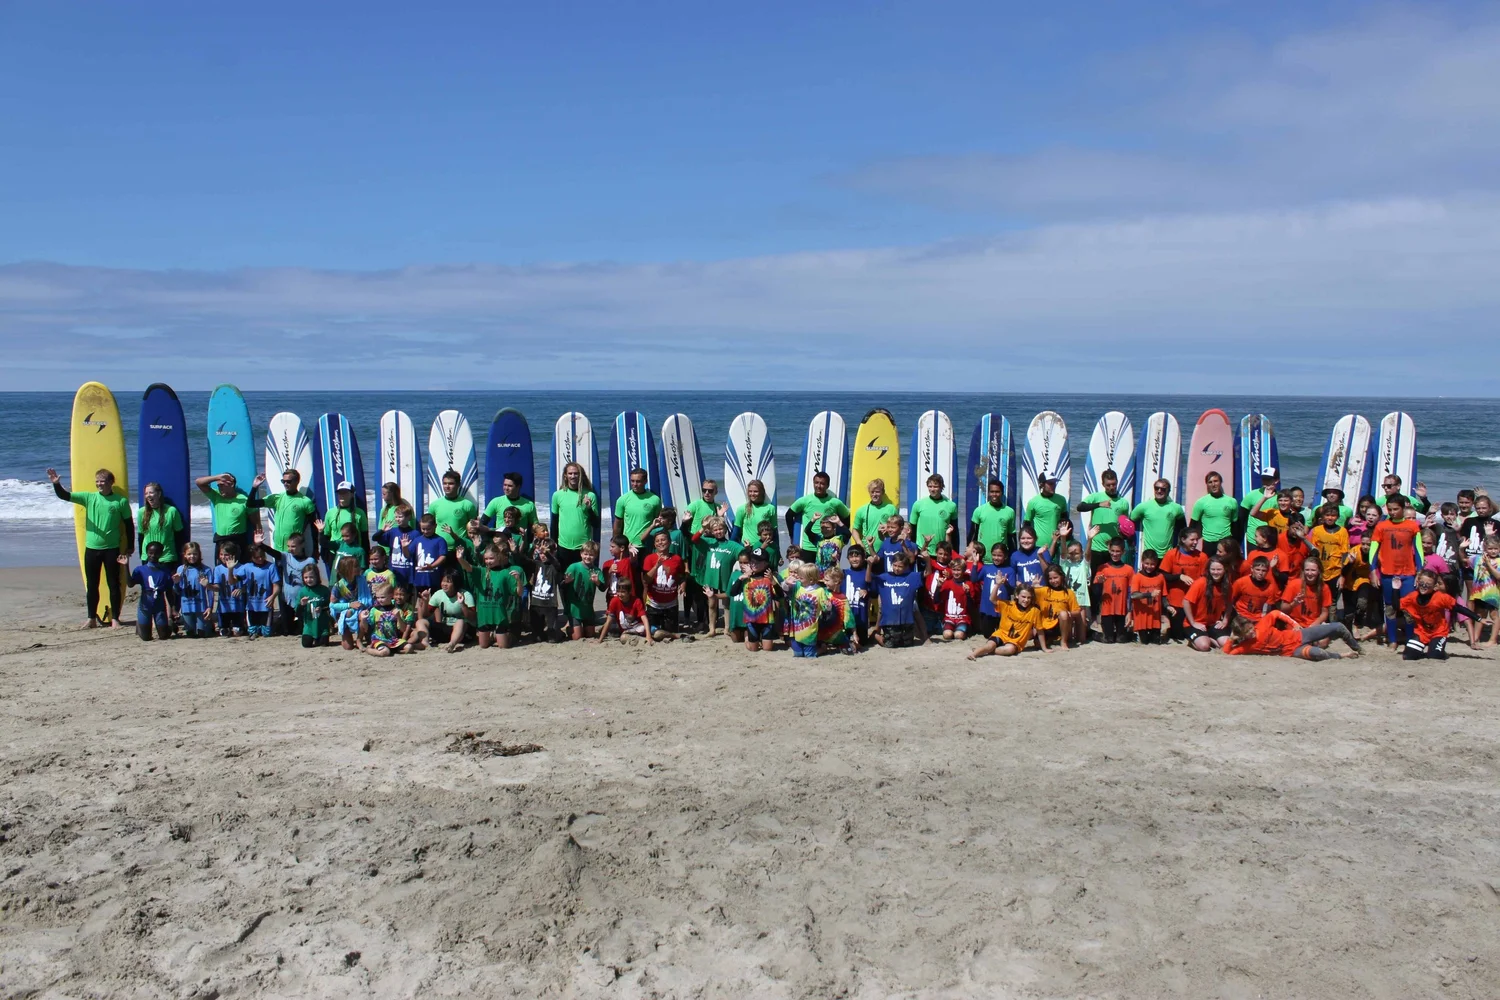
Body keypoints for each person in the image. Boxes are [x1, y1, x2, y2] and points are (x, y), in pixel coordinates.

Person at [48, 466, 133, 627]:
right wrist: (56, 484)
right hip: (92, 549)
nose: (99, 484)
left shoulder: (120, 501)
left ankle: (115, 619)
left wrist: (129, 547)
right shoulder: (89, 498)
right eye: (97, 481)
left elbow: (129, 525)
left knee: (114, 584)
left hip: (112, 549)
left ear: (111, 482)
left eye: (102, 481)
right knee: (92, 585)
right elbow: (64, 496)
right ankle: (91, 618)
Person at [1369, 494, 1423, 645]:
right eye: (1390, 509)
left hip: (1408, 574)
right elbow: (1373, 549)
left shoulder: (1412, 526)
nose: (1392, 512)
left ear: (1403, 508)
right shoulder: (1381, 526)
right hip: (1388, 574)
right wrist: (1373, 571)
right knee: (1390, 608)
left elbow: (1419, 550)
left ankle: (1410, 639)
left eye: (1396, 509)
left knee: (1409, 609)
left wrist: (1420, 571)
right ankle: (1392, 640)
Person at [1398, 568, 1479, 661]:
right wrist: (1396, 589)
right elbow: (1397, 605)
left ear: (1434, 586)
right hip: (1421, 632)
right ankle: (1422, 649)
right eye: (1422, 583)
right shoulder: (1413, 596)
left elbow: (1461, 610)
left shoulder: (1442, 598)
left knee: (1434, 656)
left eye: (1428, 584)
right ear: (1417, 581)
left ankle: (1438, 651)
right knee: (1408, 656)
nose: (1424, 586)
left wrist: (1478, 619)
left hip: (1438, 632)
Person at [136, 482, 185, 629]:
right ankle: (148, 618)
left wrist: (182, 557)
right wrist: (142, 555)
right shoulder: (141, 512)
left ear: (159, 494)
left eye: (151, 493)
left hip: (167, 556)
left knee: (168, 589)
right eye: (146, 494)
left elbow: (180, 535)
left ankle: (171, 616)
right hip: (148, 557)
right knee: (149, 589)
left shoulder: (171, 512)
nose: (148, 496)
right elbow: (140, 536)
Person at [1223, 609, 1362, 660]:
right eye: (1246, 632)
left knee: (1338, 627)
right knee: (1318, 653)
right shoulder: (1247, 646)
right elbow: (1228, 653)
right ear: (1241, 635)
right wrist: (1231, 638)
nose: (1251, 632)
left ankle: (1358, 649)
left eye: (1250, 628)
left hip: (1298, 636)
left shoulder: (1262, 625)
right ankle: (1342, 655)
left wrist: (1294, 623)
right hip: (1292, 651)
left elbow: (1276, 613)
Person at [966, 584, 1047, 658]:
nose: (1026, 600)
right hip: (1001, 634)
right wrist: (997, 585)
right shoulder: (1008, 605)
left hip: (1015, 641)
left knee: (1009, 650)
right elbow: (992, 599)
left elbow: (1040, 630)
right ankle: (974, 654)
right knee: (990, 646)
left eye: (1029, 597)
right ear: (1017, 595)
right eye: (1023, 597)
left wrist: (1044, 648)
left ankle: (983, 650)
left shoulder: (1034, 611)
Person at [866, 550, 927, 648]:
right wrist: (869, 565)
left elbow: (926, 573)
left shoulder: (911, 577)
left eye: (900, 566)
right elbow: (868, 580)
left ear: (906, 567)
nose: (897, 568)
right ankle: (876, 635)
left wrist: (927, 560)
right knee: (891, 644)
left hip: (906, 619)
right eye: (895, 565)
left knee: (907, 644)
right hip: (889, 620)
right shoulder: (884, 577)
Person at [248, 469, 317, 554]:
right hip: (278, 549)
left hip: (295, 550)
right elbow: (250, 504)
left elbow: (314, 527)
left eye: (288, 481)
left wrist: (315, 549)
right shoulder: (277, 498)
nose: (285, 484)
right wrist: (255, 487)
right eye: (283, 481)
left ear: (296, 481)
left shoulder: (305, 501)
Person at [1078, 469, 1131, 574]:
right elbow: (1080, 507)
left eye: (1114, 484)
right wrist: (1098, 504)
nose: (1111, 487)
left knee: (1112, 579)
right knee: (1096, 579)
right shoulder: (1096, 497)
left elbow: (1124, 525)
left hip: (1114, 550)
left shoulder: (1123, 502)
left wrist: (1124, 535)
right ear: (1103, 484)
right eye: (1108, 485)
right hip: (1096, 548)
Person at [550, 462, 601, 568]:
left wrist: (589, 508)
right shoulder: (557, 495)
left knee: (582, 582)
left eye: (576, 473)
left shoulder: (590, 495)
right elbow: (554, 521)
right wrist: (553, 542)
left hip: (583, 549)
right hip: (563, 546)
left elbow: (596, 524)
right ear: (565, 475)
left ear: (581, 475)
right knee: (564, 581)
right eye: (570, 473)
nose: (573, 476)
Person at [1160, 526, 1207, 641]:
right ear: (1183, 539)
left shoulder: (1202, 557)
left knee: (1193, 632)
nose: (1195, 542)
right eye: (1192, 540)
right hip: (1176, 601)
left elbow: (1205, 578)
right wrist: (1179, 576)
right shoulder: (1171, 555)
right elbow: (1162, 576)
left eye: (1197, 540)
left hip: (1193, 602)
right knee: (1178, 635)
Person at [786, 471, 851, 551]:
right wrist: (792, 536)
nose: (819, 486)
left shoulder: (835, 502)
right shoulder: (804, 500)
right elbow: (788, 515)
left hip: (828, 546)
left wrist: (841, 538)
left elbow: (847, 518)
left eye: (822, 483)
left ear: (827, 485)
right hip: (808, 546)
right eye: (816, 483)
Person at [640, 529, 686, 641]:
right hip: (654, 604)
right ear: (654, 544)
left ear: (669, 542)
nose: (660, 542)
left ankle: (673, 634)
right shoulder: (649, 558)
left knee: (670, 632)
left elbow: (682, 576)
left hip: (671, 604)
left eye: (663, 540)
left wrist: (683, 586)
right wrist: (656, 566)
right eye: (657, 541)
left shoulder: (677, 559)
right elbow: (646, 580)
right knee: (653, 633)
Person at [473, 544, 522, 649]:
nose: (488, 561)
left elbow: (518, 593)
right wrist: (460, 558)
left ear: (498, 557)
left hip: (499, 614)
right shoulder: (481, 571)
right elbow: (468, 567)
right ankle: (491, 635)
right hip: (485, 615)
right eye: (486, 559)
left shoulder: (506, 573)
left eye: (491, 558)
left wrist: (518, 580)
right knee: (483, 645)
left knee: (503, 646)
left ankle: (512, 635)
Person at [1183, 557, 1232, 651]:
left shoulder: (1227, 585)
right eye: (1213, 569)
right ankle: (1194, 640)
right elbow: (1186, 601)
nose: (1216, 572)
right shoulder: (1200, 583)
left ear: (1225, 570)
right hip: (1195, 623)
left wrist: (1225, 620)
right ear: (1208, 570)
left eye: (1219, 569)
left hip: (1212, 623)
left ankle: (1209, 637)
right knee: (1204, 646)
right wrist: (1193, 622)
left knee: (1226, 644)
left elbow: (1229, 603)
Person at [1130, 479, 1186, 561]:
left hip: (1168, 555)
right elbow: (1129, 522)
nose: (1159, 491)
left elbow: (1183, 529)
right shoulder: (1143, 507)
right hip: (1149, 556)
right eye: (1156, 488)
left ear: (1168, 491)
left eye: (1163, 489)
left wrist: (1180, 548)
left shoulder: (1176, 508)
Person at [129, 541, 173, 641]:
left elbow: (169, 592)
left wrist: (173, 610)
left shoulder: (165, 571)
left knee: (164, 636)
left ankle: (169, 625)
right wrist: (125, 565)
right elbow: (130, 584)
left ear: (161, 554)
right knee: (146, 638)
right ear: (147, 552)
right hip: (145, 607)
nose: (153, 555)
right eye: (150, 553)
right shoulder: (140, 570)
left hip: (159, 607)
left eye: (156, 553)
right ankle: (139, 625)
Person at [1092, 538, 1133, 643]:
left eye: (1118, 551)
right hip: (1107, 610)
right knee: (1108, 640)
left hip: (1121, 610)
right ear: (1109, 550)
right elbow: (1095, 593)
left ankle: (1126, 632)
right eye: (1113, 551)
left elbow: (1131, 592)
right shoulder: (1103, 568)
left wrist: (1130, 611)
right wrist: (1099, 584)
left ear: (1123, 552)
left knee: (1121, 639)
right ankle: (1092, 633)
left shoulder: (1129, 569)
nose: (1115, 554)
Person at [614, 467, 664, 554]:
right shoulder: (622, 499)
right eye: (632, 481)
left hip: (649, 544)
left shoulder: (655, 499)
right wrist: (616, 544)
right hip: (630, 545)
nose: (634, 484)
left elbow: (658, 524)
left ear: (645, 481)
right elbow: (618, 525)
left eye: (638, 481)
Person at [786, 564, 830, 657]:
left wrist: (829, 606)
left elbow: (826, 608)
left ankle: (822, 649)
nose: (798, 577)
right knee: (797, 654)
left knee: (809, 655)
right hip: (795, 629)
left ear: (811, 580)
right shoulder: (797, 586)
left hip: (810, 629)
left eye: (801, 577)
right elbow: (785, 590)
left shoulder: (820, 591)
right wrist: (787, 583)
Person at [909, 474, 958, 556]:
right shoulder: (918, 504)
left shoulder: (951, 505)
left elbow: (955, 532)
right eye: (930, 486)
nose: (932, 489)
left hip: (942, 553)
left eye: (935, 486)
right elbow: (912, 529)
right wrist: (914, 550)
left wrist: (955, 552)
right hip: (923, 550)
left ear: (942, 487)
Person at [426, 471, 477, 552]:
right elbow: (428, 526)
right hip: (439, 548)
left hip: (460, 548)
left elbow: (474, 529)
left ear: (458, 485)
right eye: (444, 483)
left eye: (451, 483)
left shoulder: (467, 505)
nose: (447, 486)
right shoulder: (434, 505)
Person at [424, 570, 473, 653]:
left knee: (460, 622)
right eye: (443, 581)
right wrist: (425, 601)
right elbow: (426, 615)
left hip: (463, 632)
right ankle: (424, 643)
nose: (444, 584)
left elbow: (472, 618)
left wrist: (462, 604)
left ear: (455, 583)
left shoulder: (466, 594)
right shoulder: (438, 594)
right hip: (446, 629)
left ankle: (452, 644)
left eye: (448, 582)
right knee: (421, 622)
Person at [1189, 471, 1240, 550]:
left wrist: (1236, 544)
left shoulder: (1232, 501)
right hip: (1209, 543)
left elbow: (1235, 525)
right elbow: (1192, 526)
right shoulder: (1201, 502)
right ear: (1207, 485)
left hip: (1226, 541)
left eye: (1216, 481)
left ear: (1220, 482)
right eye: (1210, 482)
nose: (1213, 484)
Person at [1035, 562, 1082, 649]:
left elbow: (1077, 611)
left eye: (1056, 577)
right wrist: (1034, 586)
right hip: (1046, 624)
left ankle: (1063, 641)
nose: (1053, 581)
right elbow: (1026, 595)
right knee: (1037, 644)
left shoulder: (1069, 593)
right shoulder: (1043, 590)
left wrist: (1068, 613)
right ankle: (1050, 638)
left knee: (1063, 614)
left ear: (1061, 576)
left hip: (1061, 624)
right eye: (1050, 579)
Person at [174, 541, 215, 638]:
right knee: (191, 634)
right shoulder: (181, 569)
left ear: (199, 554)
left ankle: (209, 625)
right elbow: (177, 591)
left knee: (202, 634)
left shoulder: (206, 570)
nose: (192, 556)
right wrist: (176, 583)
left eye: (195, 554)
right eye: (189, 554)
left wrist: (210, 607)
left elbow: (210, 591)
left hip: (201, 607)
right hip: (187, 607)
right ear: (184, 555)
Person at [563, 541, 603, 640]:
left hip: (588, 609)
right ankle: (569, 627)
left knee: (590, 635)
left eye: (591, 555)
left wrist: (597, 582)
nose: (588, 557)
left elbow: (603, 588)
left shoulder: (597, 571)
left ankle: (580, 627)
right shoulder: (574, 567)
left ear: (596, 555)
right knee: (577, 637)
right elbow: (562, 585)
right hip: (574, 609)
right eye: (585, 554)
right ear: (581, 554)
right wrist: (566, 582)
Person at [483, 471, 539, 541]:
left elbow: (535, 527)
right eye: (504, 485)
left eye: (510, 486)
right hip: (500, 543)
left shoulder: (529, 505)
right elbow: (483, 522)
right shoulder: (496, 502)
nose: (506, 488)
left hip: (520, 544)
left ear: (518, 487)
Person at [241, 543, 282, 639]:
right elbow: (233, 581)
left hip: (265, 605)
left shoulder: (270, 567)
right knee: (252, 632)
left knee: (266, 633)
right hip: (252, 606)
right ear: (252, 557)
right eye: (257, 557)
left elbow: (277, 585)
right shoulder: (247, 567)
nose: (260, 559)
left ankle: (277, 623)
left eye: (261, 556)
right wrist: (230, 570)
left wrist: (273, 596)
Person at [210, 541, 249, 637]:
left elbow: (248, 585)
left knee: (237, 632)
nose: (223, 557)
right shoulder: (218, 569)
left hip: (238, 606)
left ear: (233, 555)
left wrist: (242, 590)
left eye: (226, 554)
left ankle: (242, 626)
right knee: (224, 633)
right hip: (224, 606)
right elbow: (217, 587)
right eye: (221, 554)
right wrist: (208, 585)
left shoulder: (242, 567)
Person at [1129, 548, 1168, 644]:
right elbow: (1134, 595)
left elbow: (1163, 596)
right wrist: (1149, 595)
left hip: (1155, 618)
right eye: (1147, 563)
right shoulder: (1137, 577)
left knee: (1155, 642)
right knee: (1144, 642)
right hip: (1142, 617)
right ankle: (1132, 633)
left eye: (1152, 564)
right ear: (1142, 561)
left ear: (1157, 563)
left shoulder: (1160, 577)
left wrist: (1168, 606)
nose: (1149, 566)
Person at [599, 575, 652, 644]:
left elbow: (644, 618)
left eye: (623, 592)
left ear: (629, 592)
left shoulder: (636, 601)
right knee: (621, 636)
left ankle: (668, 635)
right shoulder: (614, 601)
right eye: (618, 591)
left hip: (639, 627)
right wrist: (600, 640)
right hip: (625, 630)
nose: (620, 594)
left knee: (657, 634)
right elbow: (609, 621)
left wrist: (648, 636)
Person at [1023, 475, 1070, 553]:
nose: (1053, 486)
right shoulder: (1033, 502)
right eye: (1050, 483)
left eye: (1054, 483)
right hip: (1039, 545)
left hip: (1057, 544)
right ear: (1041, 484)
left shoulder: (1061, 500)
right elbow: (1026, 525)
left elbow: (1065, 520)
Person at [850, 478, 898, 554]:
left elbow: (898, 528)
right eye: (872, 492)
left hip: (887, 549)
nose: (874, 494)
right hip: (867, 550)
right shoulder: (862, 510)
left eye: (877, 492)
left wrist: (888, 527)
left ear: (883, 492)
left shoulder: (891, 508)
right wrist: (859, 543)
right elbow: (855, 530)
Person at [969, 479, 1017, 554]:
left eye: (997, 492)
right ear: (988, 493)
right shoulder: (979, 510)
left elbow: (1011, 536)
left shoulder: (1010, 511)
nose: (994, 494)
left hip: (1001, 557)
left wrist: (1014, 555)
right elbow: (973, 534)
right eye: (992, 492)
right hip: (982, 556)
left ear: (1002, 493)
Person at [1280, 556, 1329, 628]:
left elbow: (1324, 612)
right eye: (1307, 570)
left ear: (1319, 571)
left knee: (1325, 638)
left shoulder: (1324, 588)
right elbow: (1283, 610)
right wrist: (1293, 604)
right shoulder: (1293, 584)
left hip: (1314, 622)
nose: (1309, 573)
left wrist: (1315, 624)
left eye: (1313, 570)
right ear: (1303, 571)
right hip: (1295, 623)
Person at [1231, 555, 1280, 624]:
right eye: (1257, 569)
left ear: (1267, 571)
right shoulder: (1241, 582)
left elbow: (1266, 609)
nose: (1260, 573)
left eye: (1264, 571)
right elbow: (1230, 600)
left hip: (1258, 619)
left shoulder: (1270, 587)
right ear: (1252, 569)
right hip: (1241, 616)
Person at [731, 478, 776, 552]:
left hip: (765, 547)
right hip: (747, 547)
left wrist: (778, 552)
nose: (752, 494)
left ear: (761, 492)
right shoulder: (742, 509)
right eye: (750, 491)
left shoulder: (770, 508)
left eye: (755, 491)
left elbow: (774, 532)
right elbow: (736, 532)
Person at [295, 563, 331, 648]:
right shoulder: (302, 591)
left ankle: (322, 636)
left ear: (317, 577)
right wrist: (302, 604)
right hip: (309, 625)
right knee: (306, 644)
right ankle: (310, 635)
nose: (308, 580)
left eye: (311, 577)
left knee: (323, 644)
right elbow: (297, 612)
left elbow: (330, 606)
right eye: (306, 577)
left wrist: (322, 608)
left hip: (322, 624)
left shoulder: (324, 590)